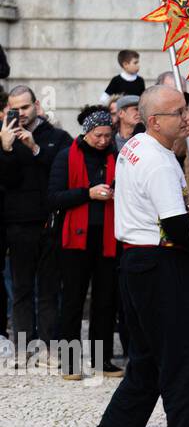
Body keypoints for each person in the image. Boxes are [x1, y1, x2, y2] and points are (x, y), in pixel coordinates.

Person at [73, 85, 189, 427]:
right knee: (187, 366)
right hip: (160, 267)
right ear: (155, 120)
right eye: (179, 112)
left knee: (145, 368)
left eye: (187, 110)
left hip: (138, 264)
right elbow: (175, 226)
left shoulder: (136, 145)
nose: (187, 117)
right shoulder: (156, 162)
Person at [1, 85, 72, 363]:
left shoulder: (57, 137)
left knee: (49, 288)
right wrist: (6, 148)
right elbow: (6, 181)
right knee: (21, 288)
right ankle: (23, 345)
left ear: (37, 105)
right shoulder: (4, 137)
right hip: (17, 225)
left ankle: (48, 346)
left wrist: (35, 148)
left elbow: (62, 173)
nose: (20, 113)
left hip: (50, 222)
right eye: (14, 109)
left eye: (25, 107)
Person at [48, 109, 121, 380]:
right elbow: (54, 197)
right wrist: (87, 193)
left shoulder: (116, 156)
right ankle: (69, 362)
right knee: (73, 301)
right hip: (74, 240)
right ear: (86, 133)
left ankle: (103, 360)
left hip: (108, 238)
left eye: (107, 135)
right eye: (97, 135)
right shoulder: (67, 155)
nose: (103, 140)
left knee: (105, 302)